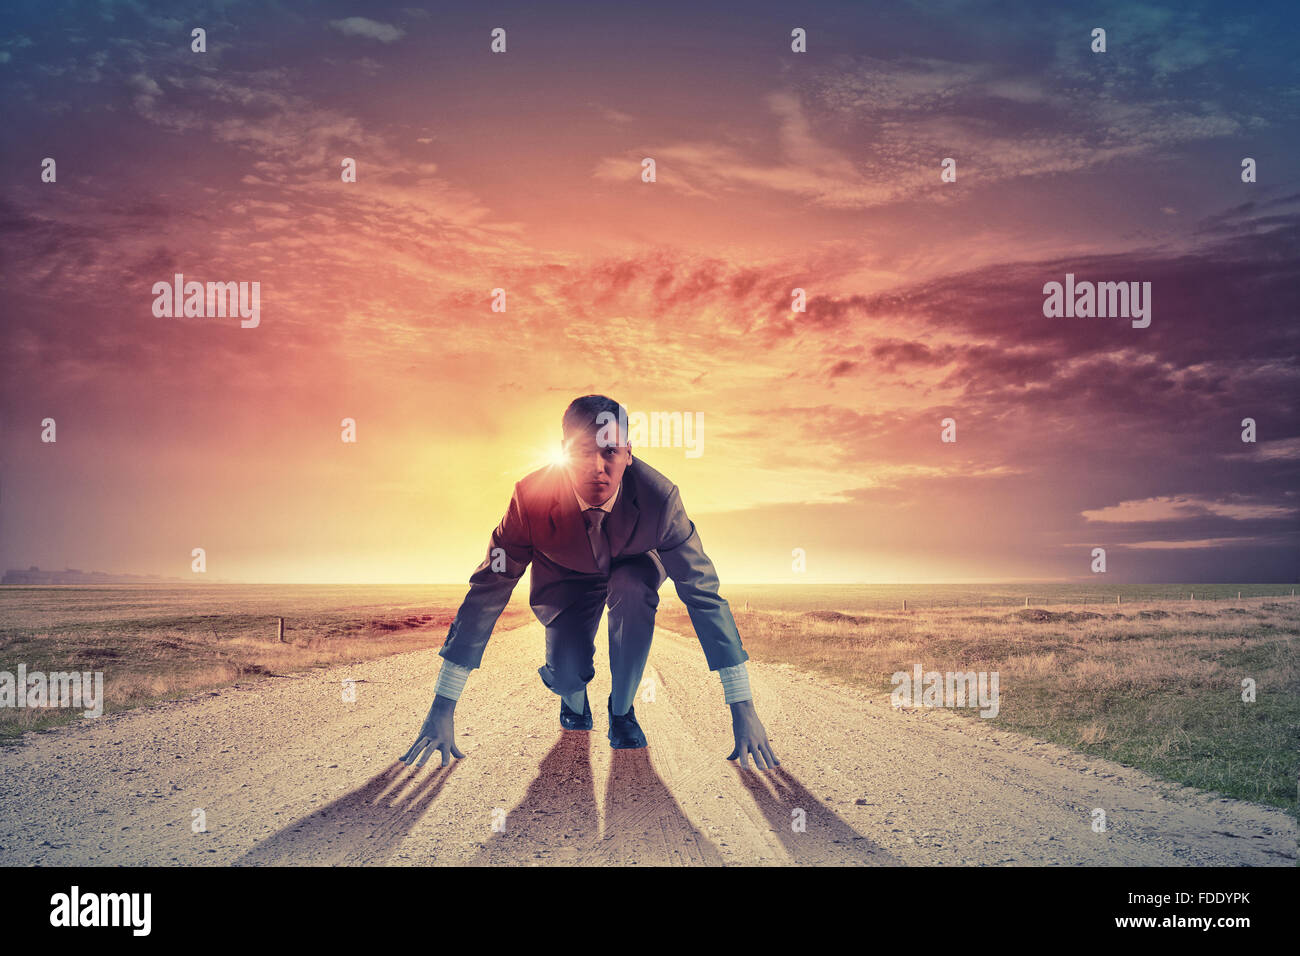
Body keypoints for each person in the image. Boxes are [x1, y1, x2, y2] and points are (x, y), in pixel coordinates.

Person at [400, 395, 779, 771]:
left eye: (610, 451)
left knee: (632, 589)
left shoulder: (660, 500)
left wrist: (742, 707)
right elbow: (488, 589)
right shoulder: (530, 498)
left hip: (632, 567)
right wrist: (442, 707)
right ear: (563, 452)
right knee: (567, 672)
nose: (598, 467)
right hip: (565, 578)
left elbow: (703, 594)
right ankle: (574, 701)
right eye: (583, 452)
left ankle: (622, 712)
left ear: (629, 453)